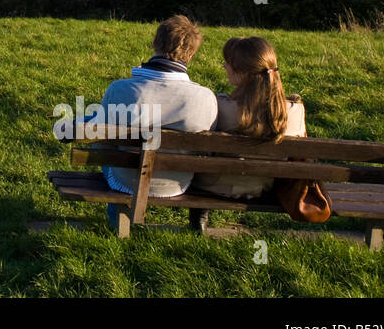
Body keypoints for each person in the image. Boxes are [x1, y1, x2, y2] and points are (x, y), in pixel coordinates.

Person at [93, 16, 218, 231]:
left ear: (154, 43)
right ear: (192, 54)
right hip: (178, 181)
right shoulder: (206, 98)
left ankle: (120, 223)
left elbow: (100, 140)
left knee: (106, 147)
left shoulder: (120, 89)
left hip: (126, 180)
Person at [193, 37, 306, 199]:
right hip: (266, 186)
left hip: (217, 184)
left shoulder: (222, 107)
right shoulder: (296, 110)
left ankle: (199, 213)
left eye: (228, 63)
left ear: (243, 72)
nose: (225, 66)